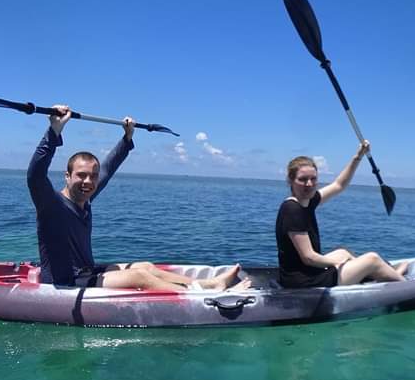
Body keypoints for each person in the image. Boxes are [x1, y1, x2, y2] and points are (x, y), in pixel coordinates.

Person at [28, 104, 249, 291]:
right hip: (65, 282)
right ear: (67, 176)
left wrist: (127, 138)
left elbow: (108, 169)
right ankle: (204, 296)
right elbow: (35, 174)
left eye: (92, 176)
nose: (88, 181)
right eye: (81, 175)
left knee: (145, 267)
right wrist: (54, 131)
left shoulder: (85, 198)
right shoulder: (52, 204)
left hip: (87, 272)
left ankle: (209, 284)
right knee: (139, 278)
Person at [275, 140, 409, 288]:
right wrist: (339, 264)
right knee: (372, 258)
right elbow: (308, 258)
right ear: (291, 181)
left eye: (313, 179)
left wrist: (358, 156)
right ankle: (408, 286)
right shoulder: (292, 209)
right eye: (302, 179)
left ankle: (380, 275)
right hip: (302, 281)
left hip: (308, 272)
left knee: (342, 252)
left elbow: (339, 185)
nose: (309, 184)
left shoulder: (308, 201)